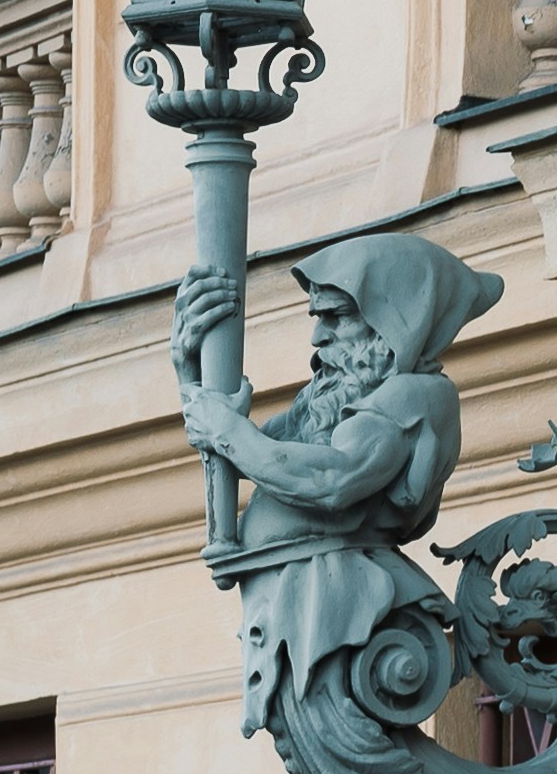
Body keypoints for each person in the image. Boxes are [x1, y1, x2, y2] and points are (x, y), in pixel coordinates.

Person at [172, 232, 505, 734]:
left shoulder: (410, 399)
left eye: (337, 316)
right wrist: (189, 368)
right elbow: (240, 452)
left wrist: (227, 430)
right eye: (317, 317)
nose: (318, 337)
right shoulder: (330, 396)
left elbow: (330, 479)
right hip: (296, 599)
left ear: (399, 321)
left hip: (340, 606)